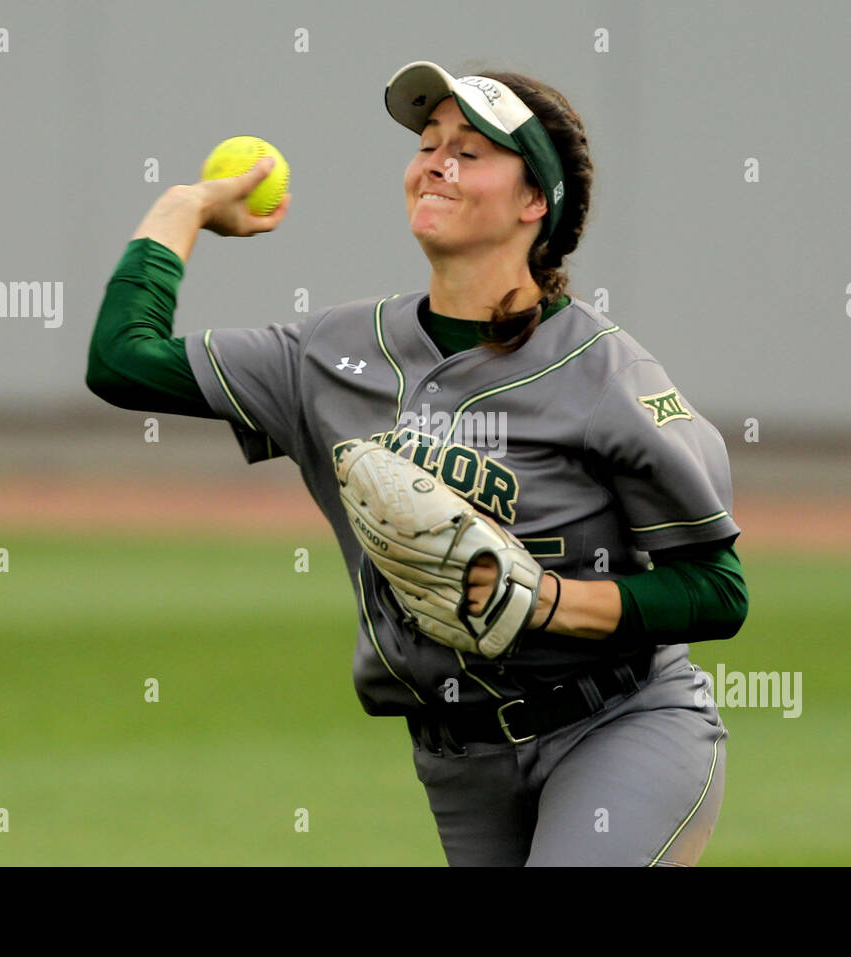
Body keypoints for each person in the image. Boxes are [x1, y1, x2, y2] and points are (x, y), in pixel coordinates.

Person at [85, 60, 748, 866]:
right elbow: (122, 361)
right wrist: (184, 206)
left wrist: (548, 602)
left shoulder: (607, 373)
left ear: (535, 201)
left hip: (619, 727)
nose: (436, 161)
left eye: (471, 150)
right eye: (429, 143)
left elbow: (717, 591)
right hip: (457, 756)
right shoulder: (326, 353)